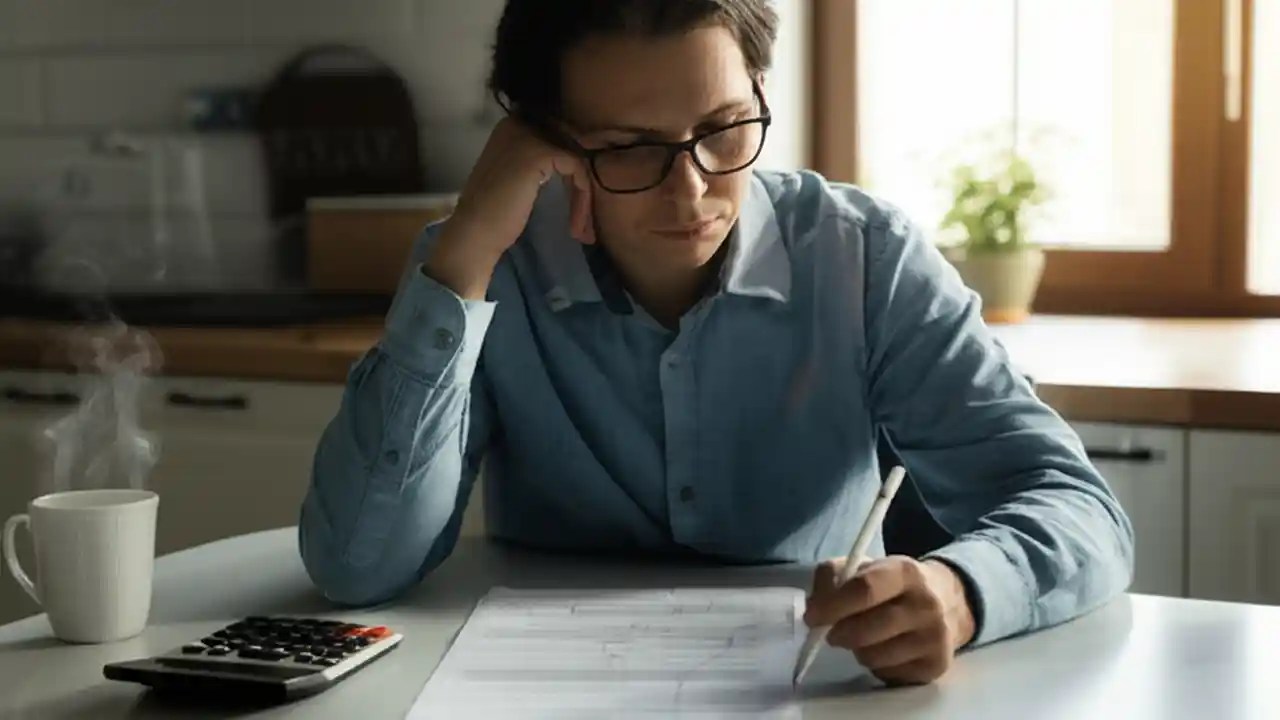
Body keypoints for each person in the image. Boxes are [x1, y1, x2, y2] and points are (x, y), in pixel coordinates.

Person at [299, 0, 1134, 686]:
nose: (691, 189)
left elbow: (1080, 509)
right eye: (630, 149)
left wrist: (961, 591)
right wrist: (467, 246)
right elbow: (357, 567)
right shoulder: (485, 266)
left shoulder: (864, 255)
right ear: (545, 142)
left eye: (727, 129)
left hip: (813, 692)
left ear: (761, 89)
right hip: (542, 694)